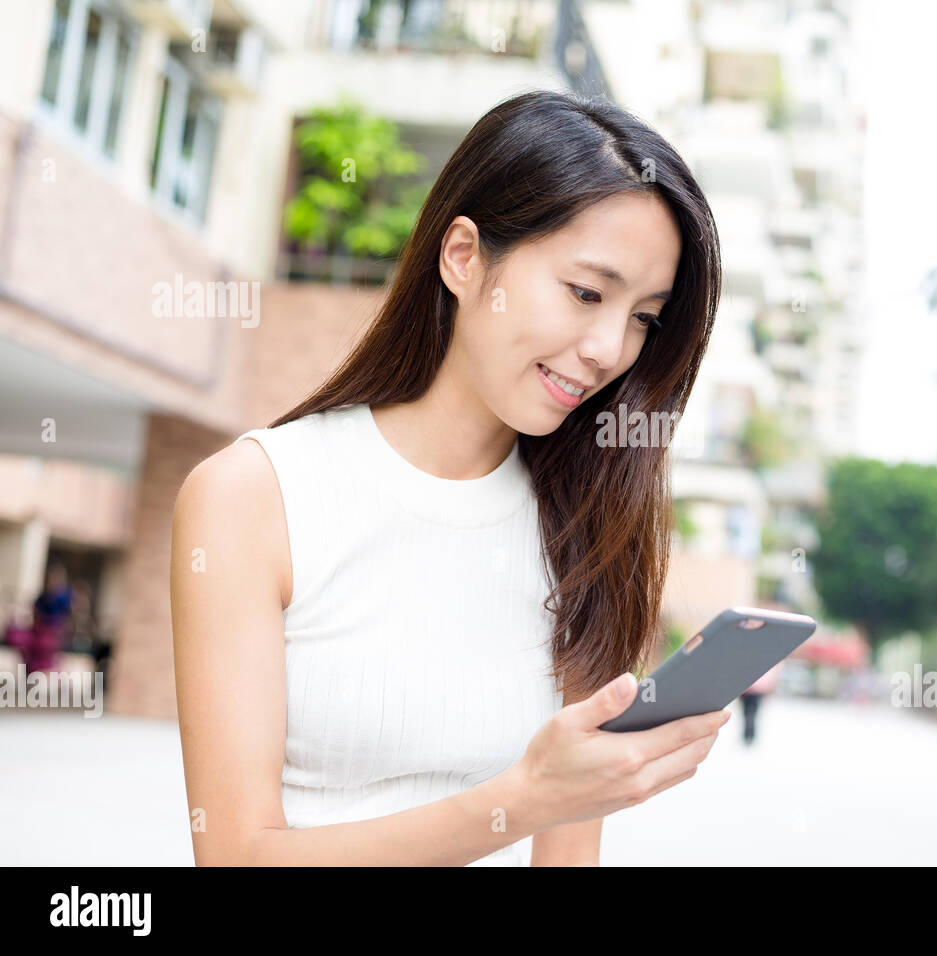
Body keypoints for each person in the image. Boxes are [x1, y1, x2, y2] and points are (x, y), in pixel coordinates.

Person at [171, 90, 727, 867]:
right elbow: (233, 859)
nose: (610, 347)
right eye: (587, 293)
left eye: (645, 317)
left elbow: (567, 858)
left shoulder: (585, 526)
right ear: (464, 257)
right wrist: (522, 801)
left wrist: (578, 791)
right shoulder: (252, 497)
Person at [739, 659, 784, 746]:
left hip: (754, 690)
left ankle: (749, 736)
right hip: (750, 690)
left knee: (750, 714)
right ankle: (748, 736)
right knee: (749, 714)